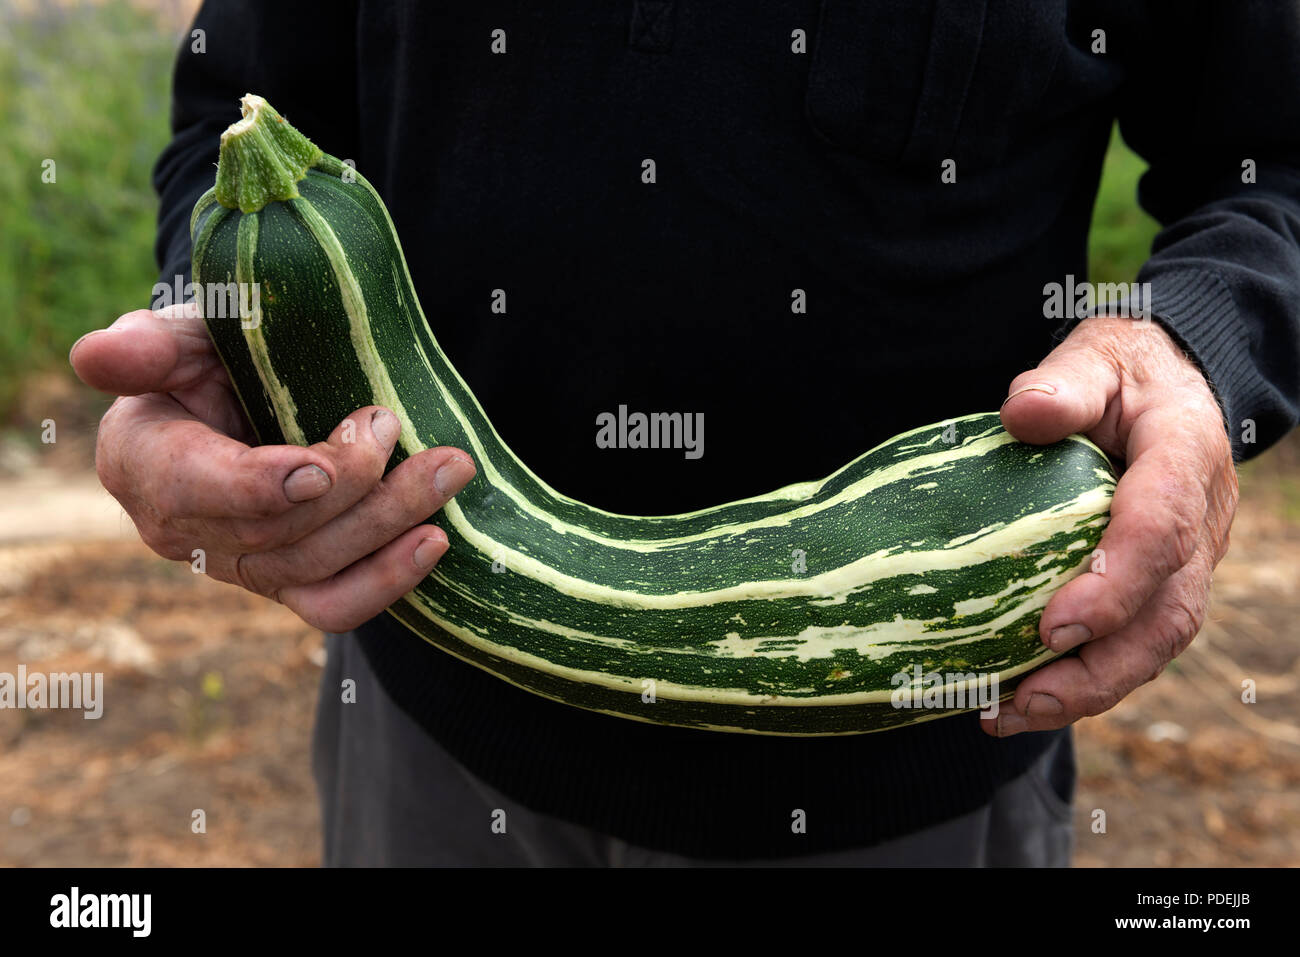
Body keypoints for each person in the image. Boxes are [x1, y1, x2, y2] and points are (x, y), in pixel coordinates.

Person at [71, 2, 1298, 865]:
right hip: (429, 722)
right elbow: (235, 118)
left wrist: (1193, 348)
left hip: (913, 758)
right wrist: (231, 328)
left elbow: (1275, 176)